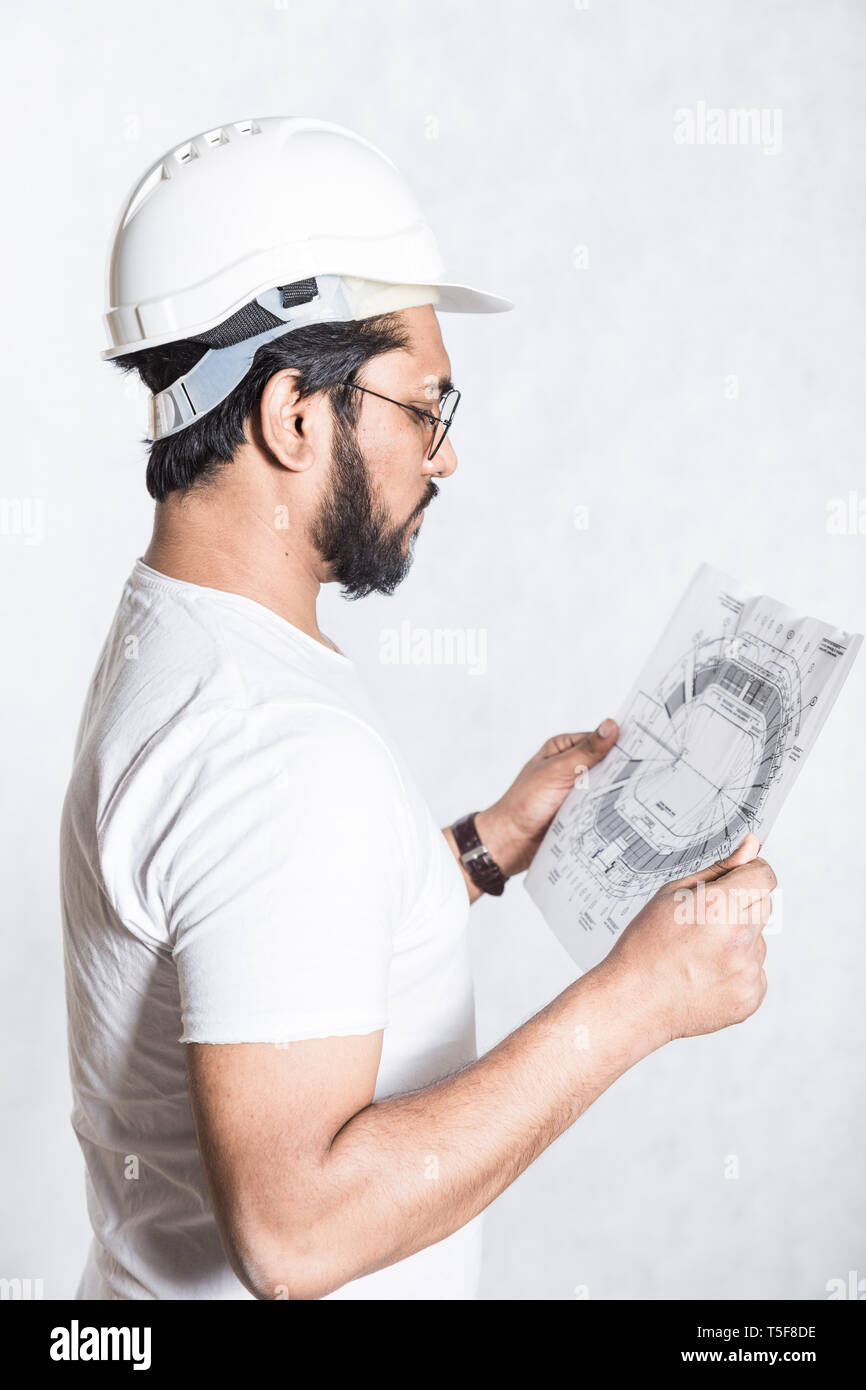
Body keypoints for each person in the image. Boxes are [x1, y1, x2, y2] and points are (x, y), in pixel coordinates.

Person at [60, 116, 776, 1301]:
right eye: (422, 407)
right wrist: (640, 1001)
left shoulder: (180, 631)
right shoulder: (274, 745)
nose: (442, 458)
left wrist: (486, 845)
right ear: (295, 415)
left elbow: (263, 937)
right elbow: (299, 1233)